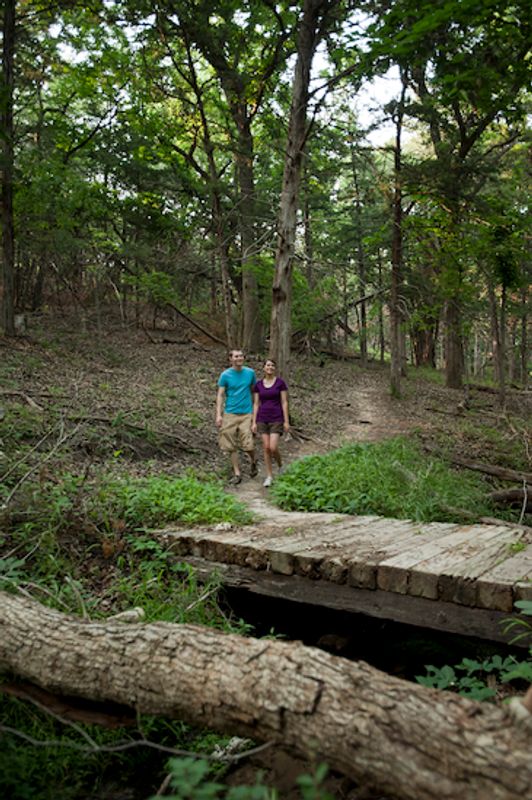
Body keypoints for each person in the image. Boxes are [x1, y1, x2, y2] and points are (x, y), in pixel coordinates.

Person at [216, 349, 258, 485]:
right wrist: (218, 414)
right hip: (230, 413)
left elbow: (255, 392)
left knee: (248, 445)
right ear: (231, 359)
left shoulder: (250, 373)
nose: (239, 358)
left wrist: (256, 413)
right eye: (236, 356)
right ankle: (237, 473)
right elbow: (220, 395)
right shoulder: (225, 375)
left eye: (241, 356)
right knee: (230, 445)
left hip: (246, 413)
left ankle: (253, 461)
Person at [252, 358, 289, 488]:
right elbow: (256, 404)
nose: (270, 367)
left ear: (275, 368)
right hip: (262, 418)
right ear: (264, 368)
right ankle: (269, 475)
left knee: (273, 447)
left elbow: (284, 402)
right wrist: (254, 422)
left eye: (272, 365)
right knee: (266, 448)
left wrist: (286, 421)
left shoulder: (280, 383)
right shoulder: (258, 385)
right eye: (268, 365)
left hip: (277, 418)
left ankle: (280, 465)